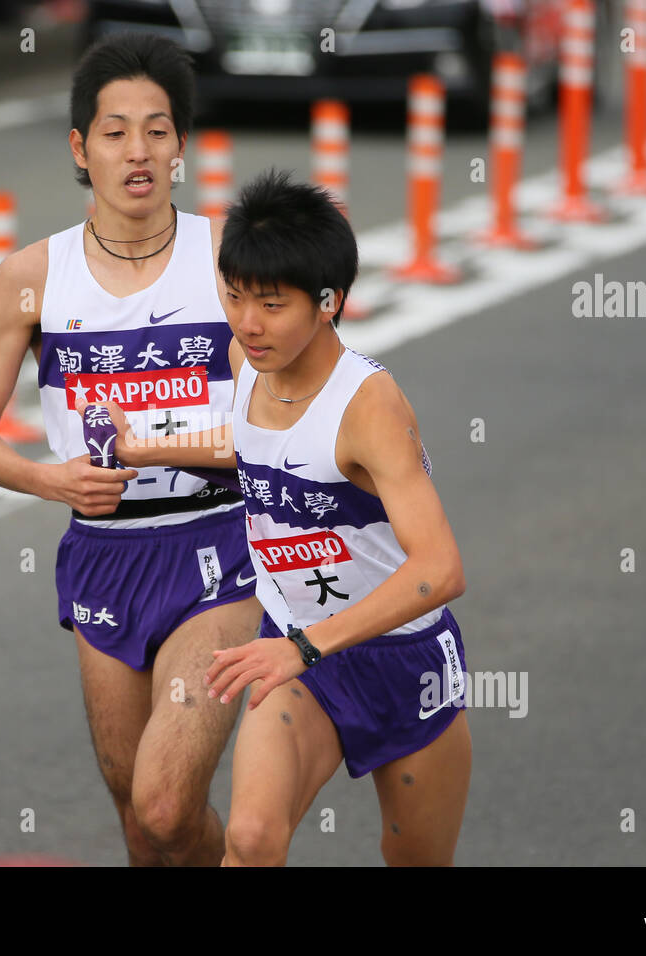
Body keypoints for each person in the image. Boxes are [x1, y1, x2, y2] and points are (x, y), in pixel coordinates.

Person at [80, 169, 472, 866]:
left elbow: (440, 570)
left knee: (414, 859)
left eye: (271, 304)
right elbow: (256, 447)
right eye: (233, 297)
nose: (248, 323)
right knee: (252, 839)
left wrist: (309, 643)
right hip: (295, 658)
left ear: (330, 303)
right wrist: (140, 446)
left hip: (400, 657)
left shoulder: (369, 406)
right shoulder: (251, 365)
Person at [0, 32, 262, 866]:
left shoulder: (230, 261)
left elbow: (279, 428)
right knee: (137, 816)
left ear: (182, 148)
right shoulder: (31, 277)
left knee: (166, 801)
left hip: (219, 545)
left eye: (158, 131)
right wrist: (52, 481)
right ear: (80, 149)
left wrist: (164, 441)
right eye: (117, 131)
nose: (139, 151)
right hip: (104, 556)